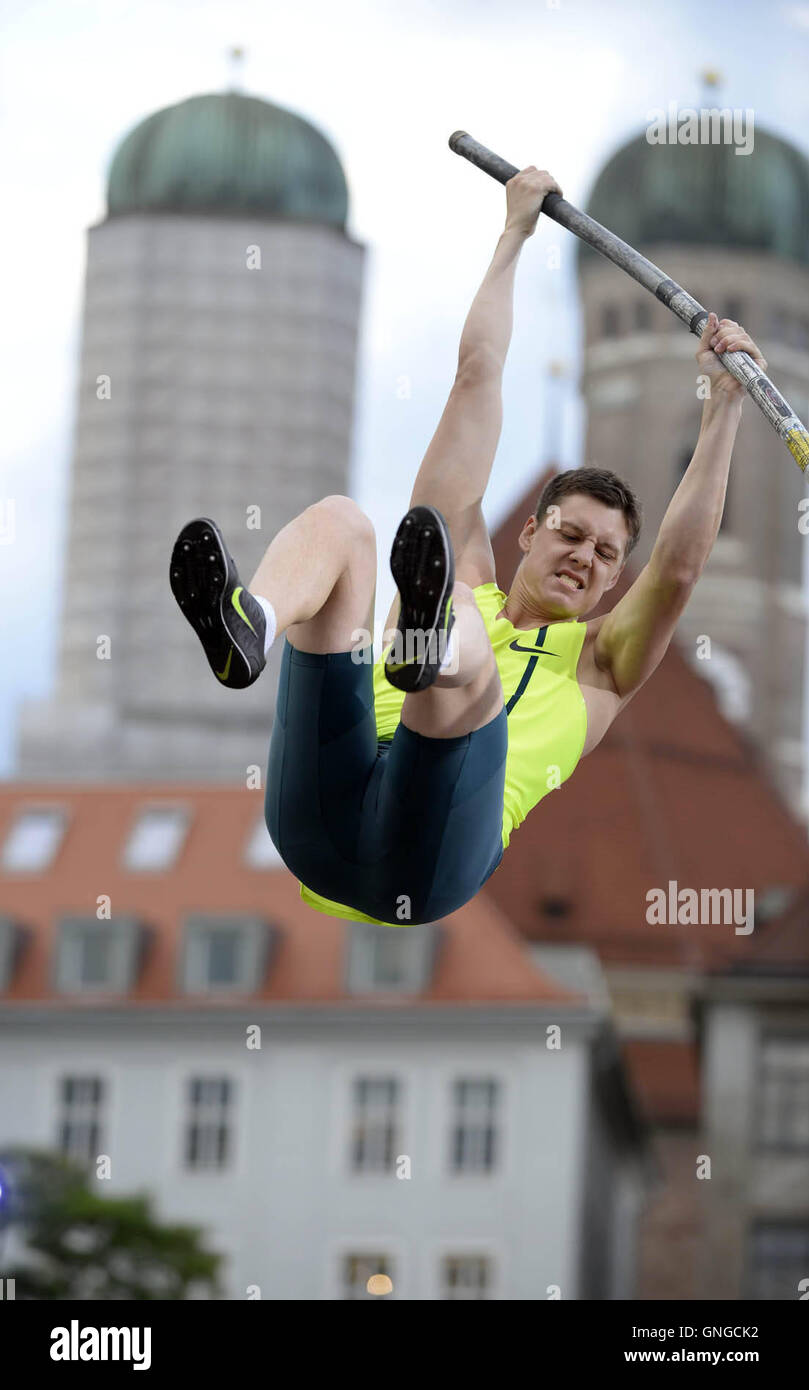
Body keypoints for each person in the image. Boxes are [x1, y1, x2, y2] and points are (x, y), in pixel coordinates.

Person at [169, 167, 767, 929]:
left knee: (467, 641)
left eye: (606, 555)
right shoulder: (459, 563)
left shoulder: (600, 668)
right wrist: (513, 235)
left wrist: (721, 406)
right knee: (343, 521)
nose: (585, 556)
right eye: (570, 533)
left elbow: (679, 569)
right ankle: (251, 623)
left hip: (431, 856)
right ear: (528, 530)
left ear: (615, 581)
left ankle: (429, 651)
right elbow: (476, 378)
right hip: (319, 818)